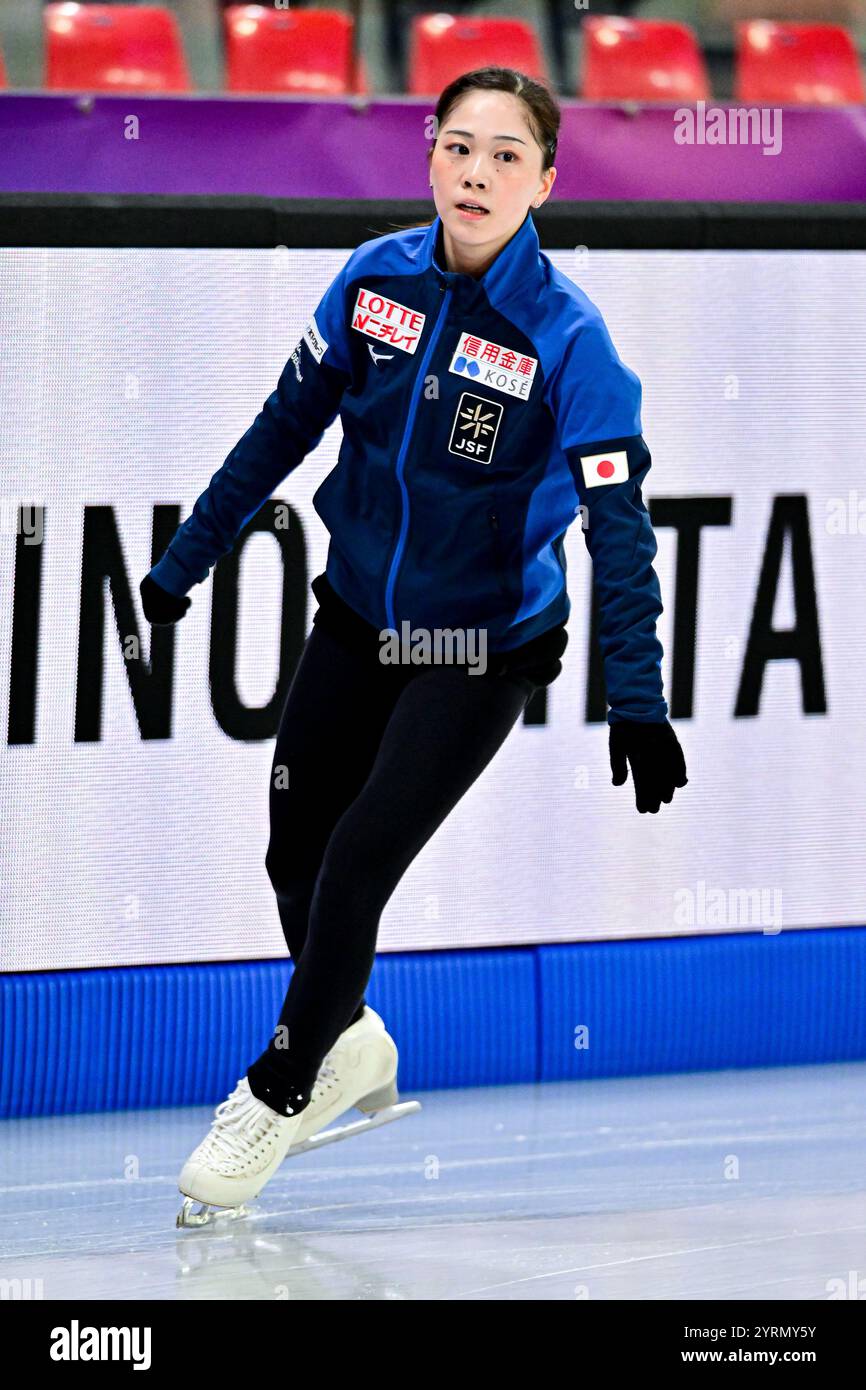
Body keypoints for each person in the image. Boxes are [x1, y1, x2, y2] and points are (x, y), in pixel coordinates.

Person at [140, 65, 688, 1222]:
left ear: (545, 181)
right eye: (458, 146)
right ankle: (344, 1039)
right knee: (294, 851)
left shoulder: (569, 339)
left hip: (480, 647)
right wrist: (188, 555)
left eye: (505, 155)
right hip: (356, 616)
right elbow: (281, 427)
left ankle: (278, 1088)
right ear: (428, 151)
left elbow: (618, 526)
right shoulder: (372, 280)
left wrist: (635, 697)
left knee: (356, 860)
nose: (476, 173)